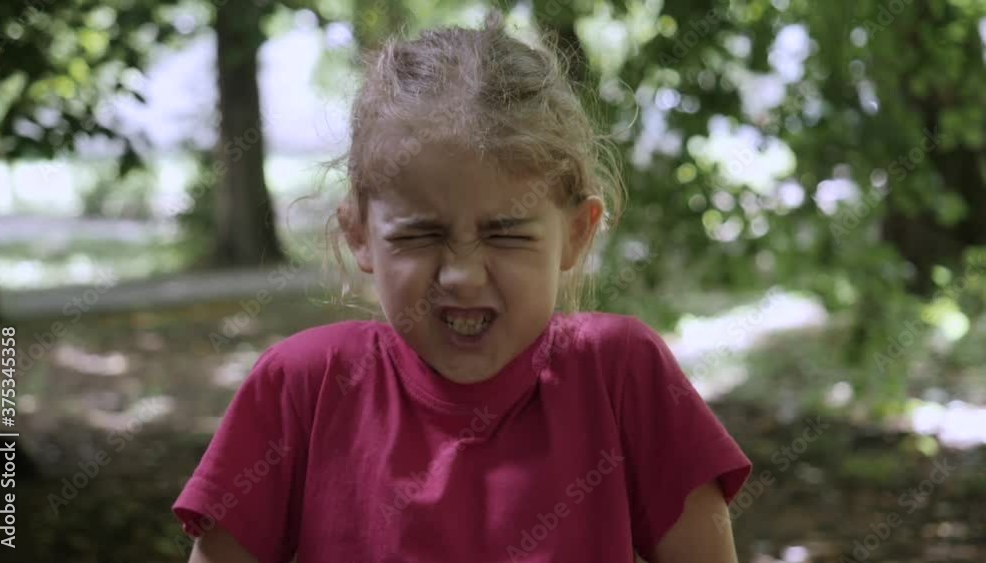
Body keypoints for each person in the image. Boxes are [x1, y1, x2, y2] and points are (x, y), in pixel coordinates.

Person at [173, 12, 752, 563]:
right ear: (360, 235)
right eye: (422, 234)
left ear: (577, 233)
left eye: (505, 234)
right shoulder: (302, 388)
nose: (461, 275)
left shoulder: (623, 376)